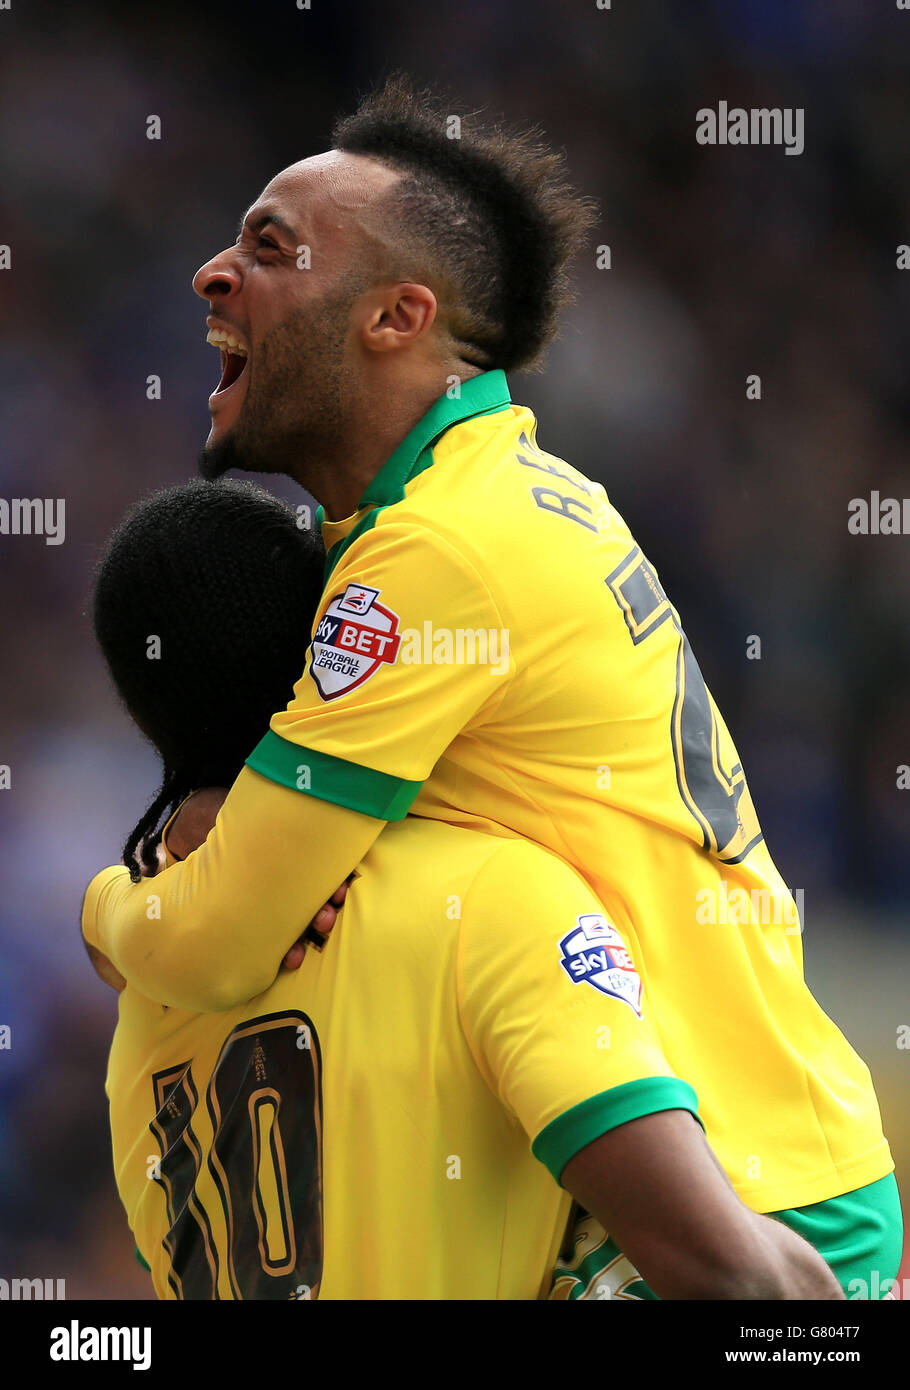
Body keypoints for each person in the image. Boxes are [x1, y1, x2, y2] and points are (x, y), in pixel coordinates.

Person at [82, 76, 902, 1289]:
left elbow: (219, 935)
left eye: (270, 246)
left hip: (726, 1201)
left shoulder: (435, 555)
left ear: (397, 315)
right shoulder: (484, 502)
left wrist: (108, 910)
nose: (213, 272)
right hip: (734, 1155)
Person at [90, 480, 840, 1300]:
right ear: (339, 654)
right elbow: (735, 1277)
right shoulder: (492, 900)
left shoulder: (141, 1012)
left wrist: (107, 903)